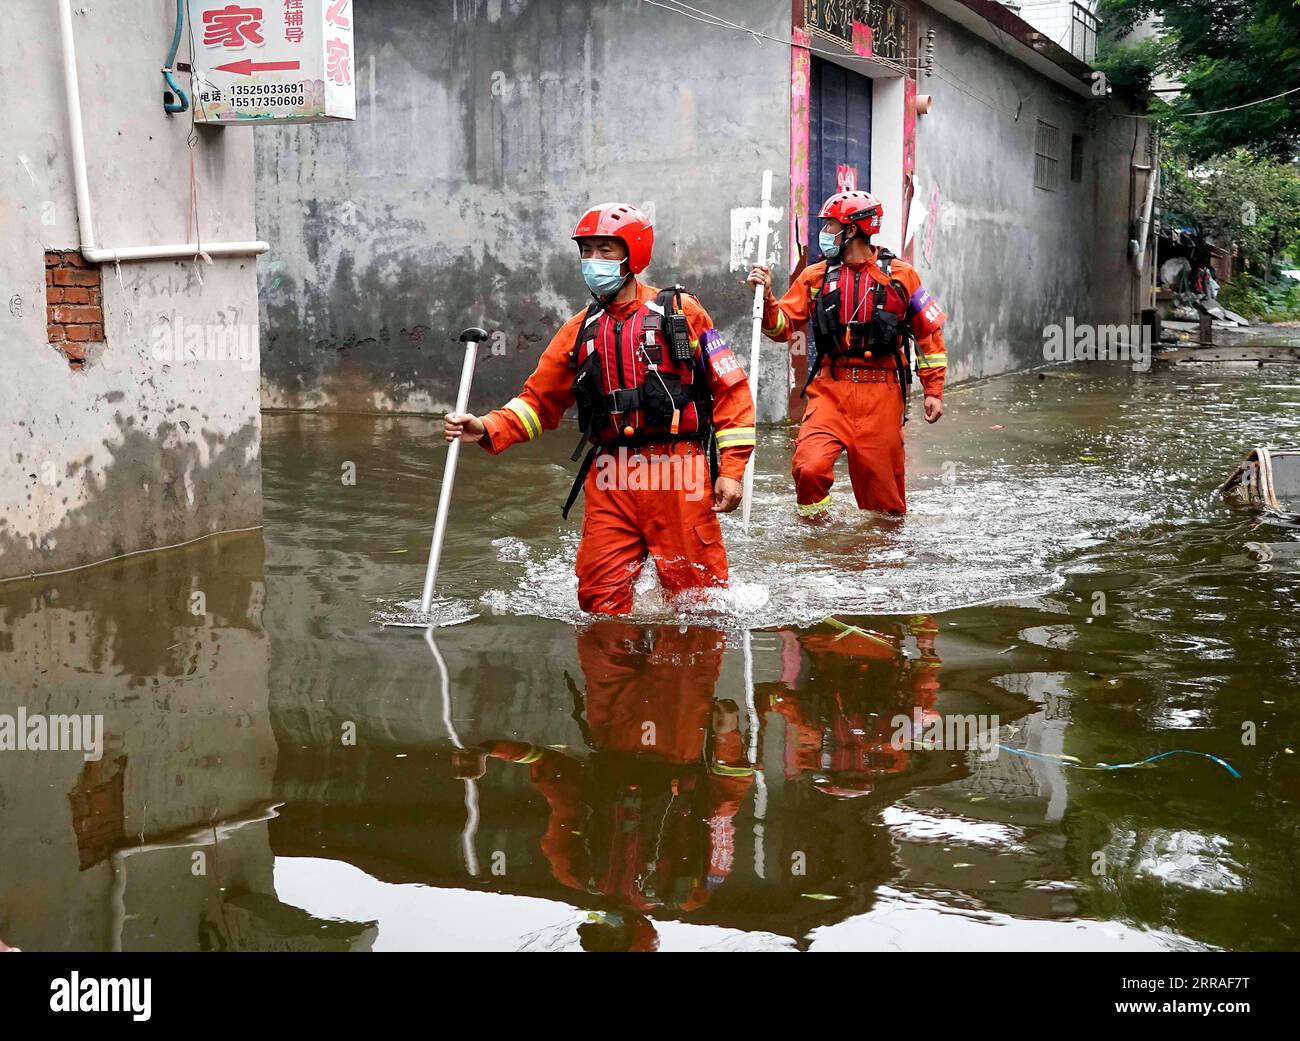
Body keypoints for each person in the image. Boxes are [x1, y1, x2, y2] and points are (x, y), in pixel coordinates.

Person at [446, 203, 756, 614]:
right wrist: (486, 427)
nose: (593, 261)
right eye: (587, 251)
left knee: (698, 605)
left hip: (678, 473)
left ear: (634, 255)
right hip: (611, 477)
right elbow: (539, 403)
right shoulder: (579, 330)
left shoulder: (681, 314)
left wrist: (732, 472)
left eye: (606, 250)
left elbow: (731, 391)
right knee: (598, 603)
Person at [747, 190, 948, 521]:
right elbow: (782, 327)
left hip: (882, 394)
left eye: (830, 227)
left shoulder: (901, 276)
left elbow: (929, 333)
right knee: (808, 468)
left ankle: (879, 563)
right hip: (831, 390)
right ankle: (820, 536)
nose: (824, 234)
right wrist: (767, 298)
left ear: (852, 230)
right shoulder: (815, 277)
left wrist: (934, 391)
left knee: (884, 504)